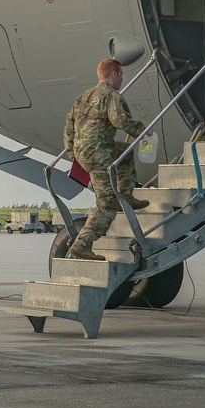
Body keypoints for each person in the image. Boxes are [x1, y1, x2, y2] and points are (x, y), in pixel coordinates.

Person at [64, 59, 152, 261]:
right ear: (113, 74)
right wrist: (143, 130)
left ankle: (126, 192)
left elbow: (69, 126)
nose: (121, 79)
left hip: (85, 151)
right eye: (121, 75)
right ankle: (82, 244)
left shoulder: (82, 97)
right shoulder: (111, 96)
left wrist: (73, 153)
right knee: (107, 203)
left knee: (125, 151)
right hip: (99, 153)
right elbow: (119, 120)